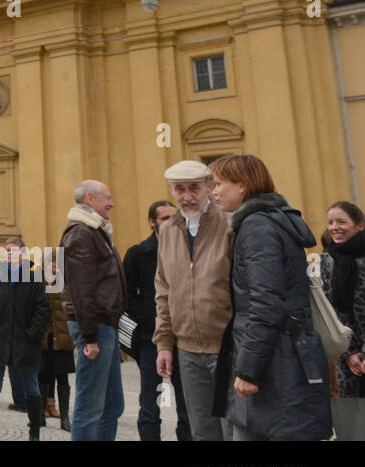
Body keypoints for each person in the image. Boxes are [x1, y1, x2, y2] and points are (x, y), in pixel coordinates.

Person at [210, 154, 331, 441]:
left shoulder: (257, 228)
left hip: (276, 364)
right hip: (282, 357)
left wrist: (248, 370)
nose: (213, 192)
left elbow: (265, 304)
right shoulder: (269, 222)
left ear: (242, 186)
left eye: (217, 184)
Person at [154, 160, 232, 441]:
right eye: (179, 189)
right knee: (201, 431)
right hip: (187, 349)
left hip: (228, 346)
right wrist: (164, 343)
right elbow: (163, 290)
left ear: (210, 188)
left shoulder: (229, 224)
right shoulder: (168, 230)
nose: (187, 196)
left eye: (194, 189)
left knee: (235, 430)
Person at [61, 180, 126, 441]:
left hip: (105, 326)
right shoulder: (81, 233)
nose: (111, 203)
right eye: (107, 197)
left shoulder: (95, 231)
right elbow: (80, 290)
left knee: (113, 404)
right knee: (90, 406)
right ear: (90, 198)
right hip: (95, 327)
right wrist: (89, 337)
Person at [124, 201, 191, 441]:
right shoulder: (138, 253)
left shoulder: (189, 249)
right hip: (150, 339)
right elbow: (128, 296)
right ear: (152, 222)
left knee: (187, 407)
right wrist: (144, 321)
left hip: (185, 338)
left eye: (176, 218)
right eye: (165, 218)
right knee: (150, 406)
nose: (172, 223)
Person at [0, 237, 49, 441]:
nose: (10, 253)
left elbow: (42, 309)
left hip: (25, 342)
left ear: (23, 253)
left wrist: (32, 334)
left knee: (31, 386)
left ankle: (34, 433)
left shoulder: (33, 276)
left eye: (14, 250)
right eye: (7, 250)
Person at [321, 201, 365, 439]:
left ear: (359, 225)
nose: (334, 228)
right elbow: (332, 310)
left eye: (341, 222)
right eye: (330, 223)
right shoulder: (328, 261)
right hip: (348, 357)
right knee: (352, 424)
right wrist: (348, 353)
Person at [38, 290, 75, 432]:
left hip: (63, 334)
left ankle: (64, 417)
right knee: (42, 375)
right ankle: (40, 415)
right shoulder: (38, 277)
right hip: (44, 335)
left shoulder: (67, 280)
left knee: (62, 376)